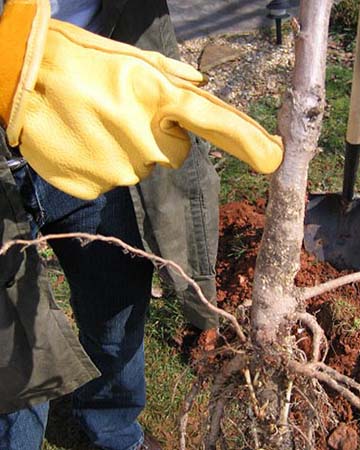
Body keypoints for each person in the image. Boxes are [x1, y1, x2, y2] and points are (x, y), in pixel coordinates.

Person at [0, 0, 283, 449]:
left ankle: (111, 429)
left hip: (87, 116)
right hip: (14, 130)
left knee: (117, 289)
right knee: (12, 335)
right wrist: (16, 65)